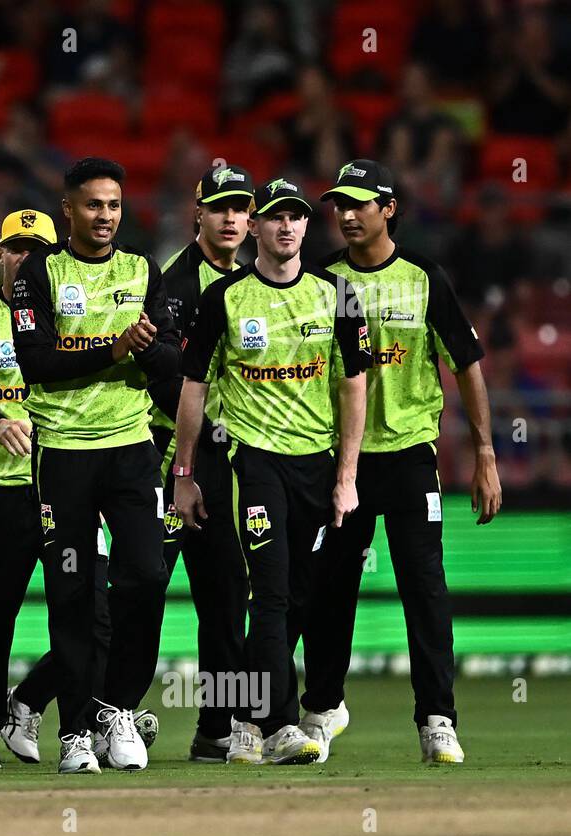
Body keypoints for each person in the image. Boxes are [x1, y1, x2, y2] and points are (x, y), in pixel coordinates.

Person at [299, 160, 500, 764]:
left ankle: (437, 720)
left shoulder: (424, 277)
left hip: (411, 457)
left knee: (424, 590)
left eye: (360, 203)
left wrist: (485, 453)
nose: (347, 214)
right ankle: (321, 711)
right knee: (329, 591)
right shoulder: (320, 280)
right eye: (340, 203)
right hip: (341, 463)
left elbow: (467, 364)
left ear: (389, 209)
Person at [173, 176, 372, 765]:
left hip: (317, 465)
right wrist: (184, 472)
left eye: (297, 217)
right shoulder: (225, 299)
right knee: (270, 594)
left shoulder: (338, 296)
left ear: (309, 226)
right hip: (253, 462)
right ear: (257, 227)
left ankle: (245, 719)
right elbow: (194, 387)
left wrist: (346, 475)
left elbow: (353, 384)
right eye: (275, 217)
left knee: (301, 598)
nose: (286, 227)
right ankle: (281, 724)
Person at [9, 158, 181, 773]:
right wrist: (115, 349)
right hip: (62, 452)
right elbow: (36, 363)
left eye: (112, 205)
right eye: (92, 205)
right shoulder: (39, 272)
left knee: (146, 573)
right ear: (69, 210)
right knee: (73, 593)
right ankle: (76, 731)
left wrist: (148, 349)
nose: (104, 216)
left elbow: (170, 361)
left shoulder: (142, 270)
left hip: (132, 448)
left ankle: (117, 709)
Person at [0, 208, 128, 768]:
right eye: (15, 248)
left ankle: (43, 707)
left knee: (94, 616)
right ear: (0, 254)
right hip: (0, 491)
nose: (24, 258)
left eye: (35, 250)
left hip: (70, 484)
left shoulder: (76, 318)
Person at [149, 165, 254, 762]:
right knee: (140, 591)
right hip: (172, 458)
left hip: (225, 462)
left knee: (224, 599)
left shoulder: (248, 282)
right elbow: (167, 378)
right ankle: (63, 710)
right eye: (220, 208)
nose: (232, 219)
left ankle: (217, 727)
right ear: (199, 214)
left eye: (241, 208)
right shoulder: (173, 287)